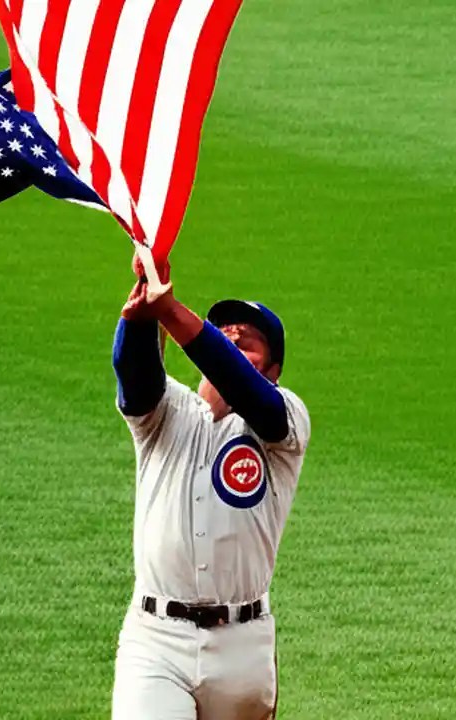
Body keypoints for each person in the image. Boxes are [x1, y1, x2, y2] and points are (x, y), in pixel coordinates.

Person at [110, 255, 311, 720]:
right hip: (156, 639)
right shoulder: (165, 415)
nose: (235, 340)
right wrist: (142, 308)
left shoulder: (285, 423)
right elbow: (135, 377)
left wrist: (175, 315)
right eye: (226, 334)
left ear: (274, 370)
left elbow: (246, 389)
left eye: (250, 342)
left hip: (243, 647)